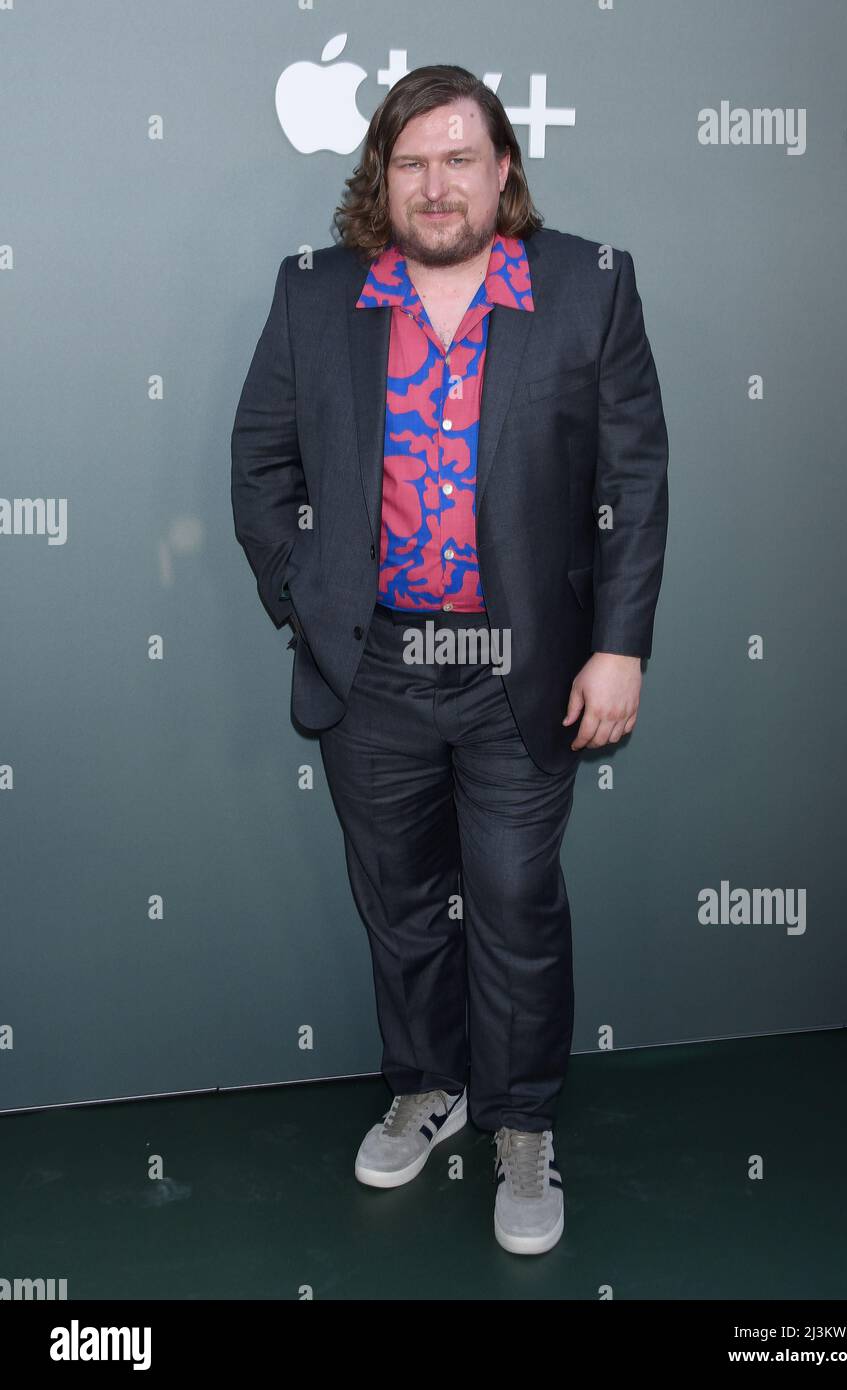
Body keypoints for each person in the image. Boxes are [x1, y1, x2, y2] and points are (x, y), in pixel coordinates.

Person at [231, 64, 669, 1255]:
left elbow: (632, 483)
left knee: (517, 905)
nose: (436, 185)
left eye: (459, 159)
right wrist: (307, 602)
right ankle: (429, 1086)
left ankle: (522, 1126)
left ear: (503, 170)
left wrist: (617, 645)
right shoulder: (316, 293)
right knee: (403, 909)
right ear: (382, 175)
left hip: (521, 669)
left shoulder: (585, 286)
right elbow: (263, 464)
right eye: (411, 161)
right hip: (370, 666)